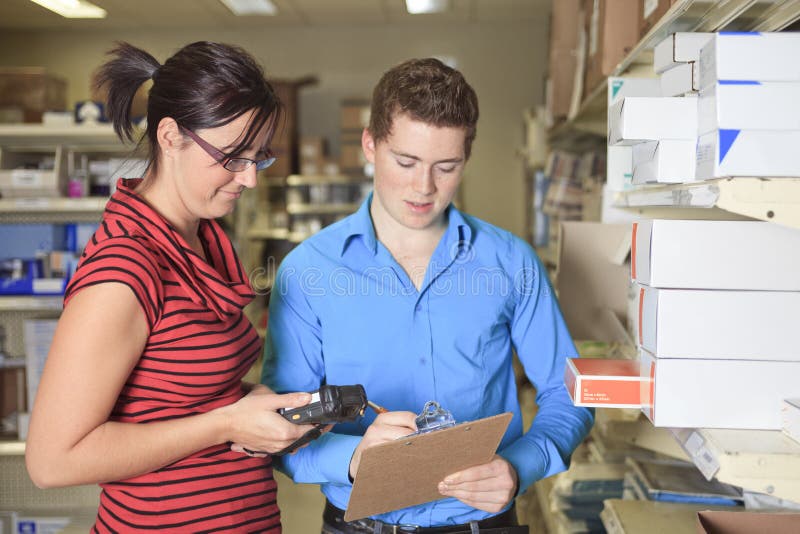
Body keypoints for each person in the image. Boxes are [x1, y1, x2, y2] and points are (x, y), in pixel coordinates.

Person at [260, 58, 595, 532]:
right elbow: (279, 422)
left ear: (466, 159)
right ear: (370, 145)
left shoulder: (511, 262)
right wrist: (353, 457)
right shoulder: (308, 272)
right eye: (406, 162)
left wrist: (521, 466)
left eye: (446, 167)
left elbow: (569, 392)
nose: (424, 187)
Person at [25, 41, 317, 533]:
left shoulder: (199, 241)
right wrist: (227, 423)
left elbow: (173, 393)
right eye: (232, 157)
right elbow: (53, 461)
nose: (249, 178)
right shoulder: (126, 269)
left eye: (259, 157)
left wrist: (257, 407)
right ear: (169, 136)